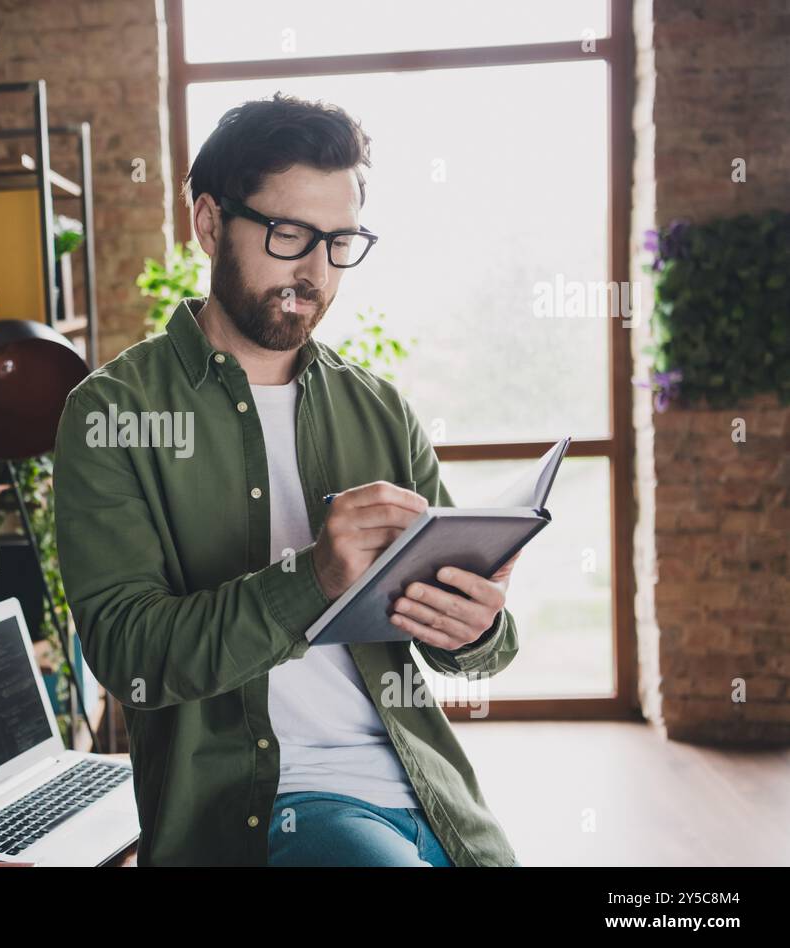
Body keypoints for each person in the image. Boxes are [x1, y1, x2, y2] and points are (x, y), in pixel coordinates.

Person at [53, 92, 521, 867]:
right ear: (208, 224)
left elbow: (474, 654)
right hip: (280, 810)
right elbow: (131, 656)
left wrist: (476, 627)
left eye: (339, 242)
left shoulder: (378, 410)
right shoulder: (111, 414)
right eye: (289, 234)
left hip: (439, 804)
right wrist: (312, 579)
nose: (314, 271)